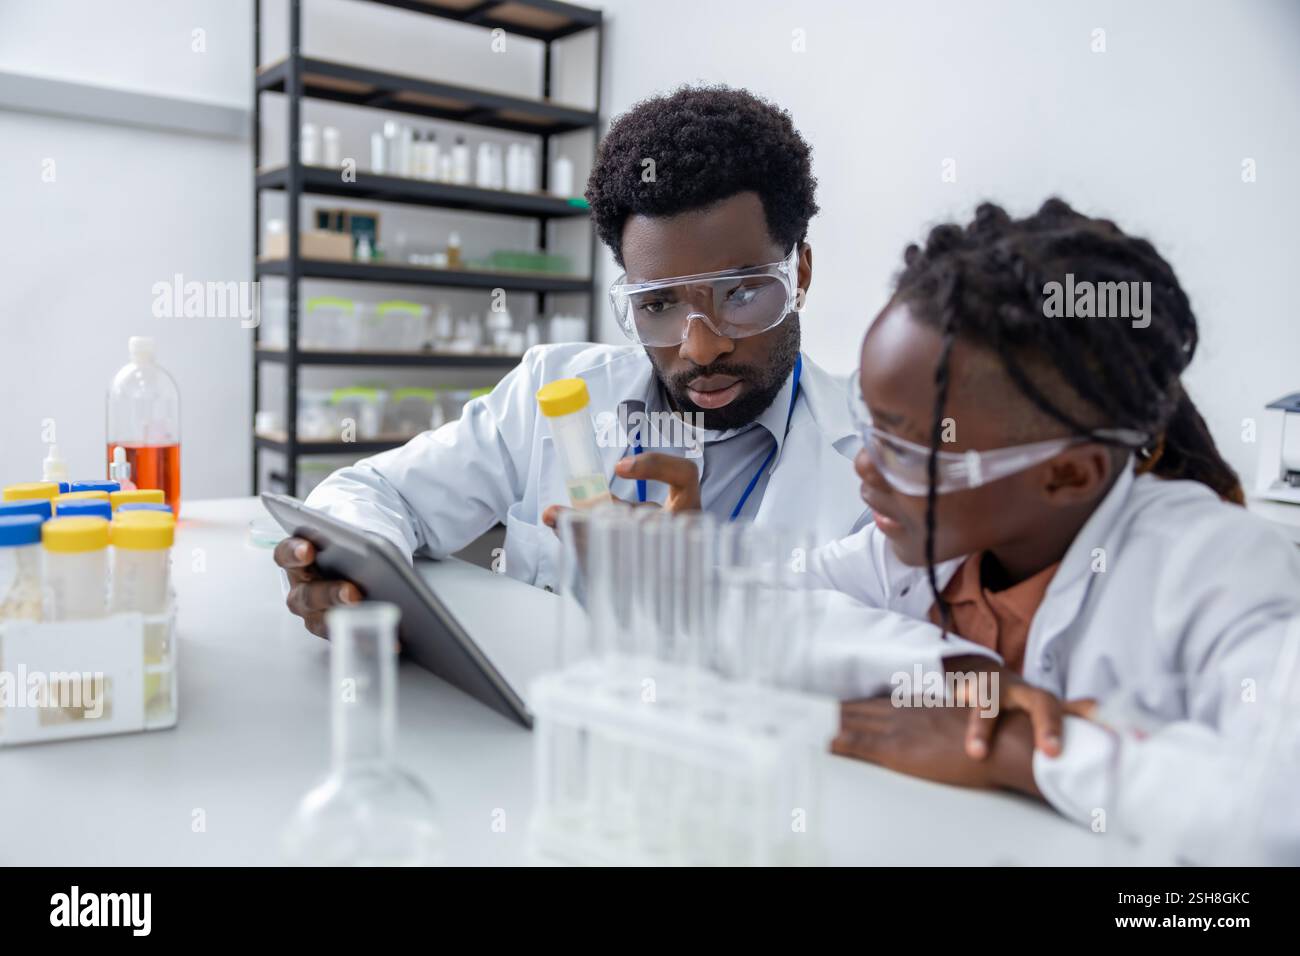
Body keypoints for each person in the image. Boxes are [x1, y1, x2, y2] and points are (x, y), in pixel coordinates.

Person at [275, 85, 866, 636]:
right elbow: (377, 492)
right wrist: (348, 572)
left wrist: (704, 595)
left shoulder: (876, 466)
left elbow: (886, 656)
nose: (700, 348)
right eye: (657, 304)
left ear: (800, 274)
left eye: (739, 295)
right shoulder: (553, 388)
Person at [807, 199, 1300, 845]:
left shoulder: (1217, 565)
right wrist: (952, 669)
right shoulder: (921, 550)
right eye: (869, 426)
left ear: (1069, 474)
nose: (865, 466)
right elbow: (751, 607)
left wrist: (1022, 750)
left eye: (909, 449)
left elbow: (1278, 812)